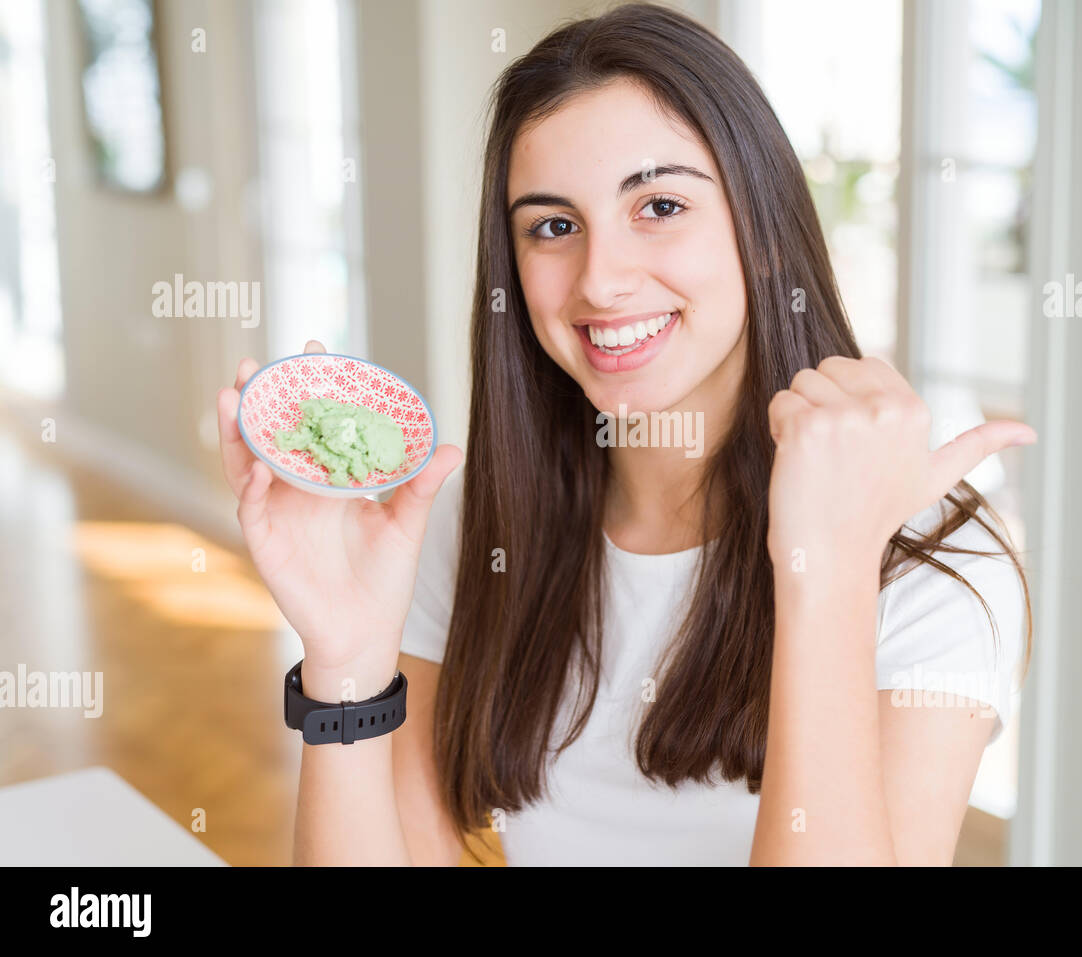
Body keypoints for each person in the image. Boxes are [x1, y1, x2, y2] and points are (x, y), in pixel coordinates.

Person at [215, 2, 1036, 866]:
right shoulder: (473, 527)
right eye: (554, 227)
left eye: (660, 205)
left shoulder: (935, 562)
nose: (600, 281)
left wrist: (824, 574)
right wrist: (343, 661)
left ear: (763, 233)